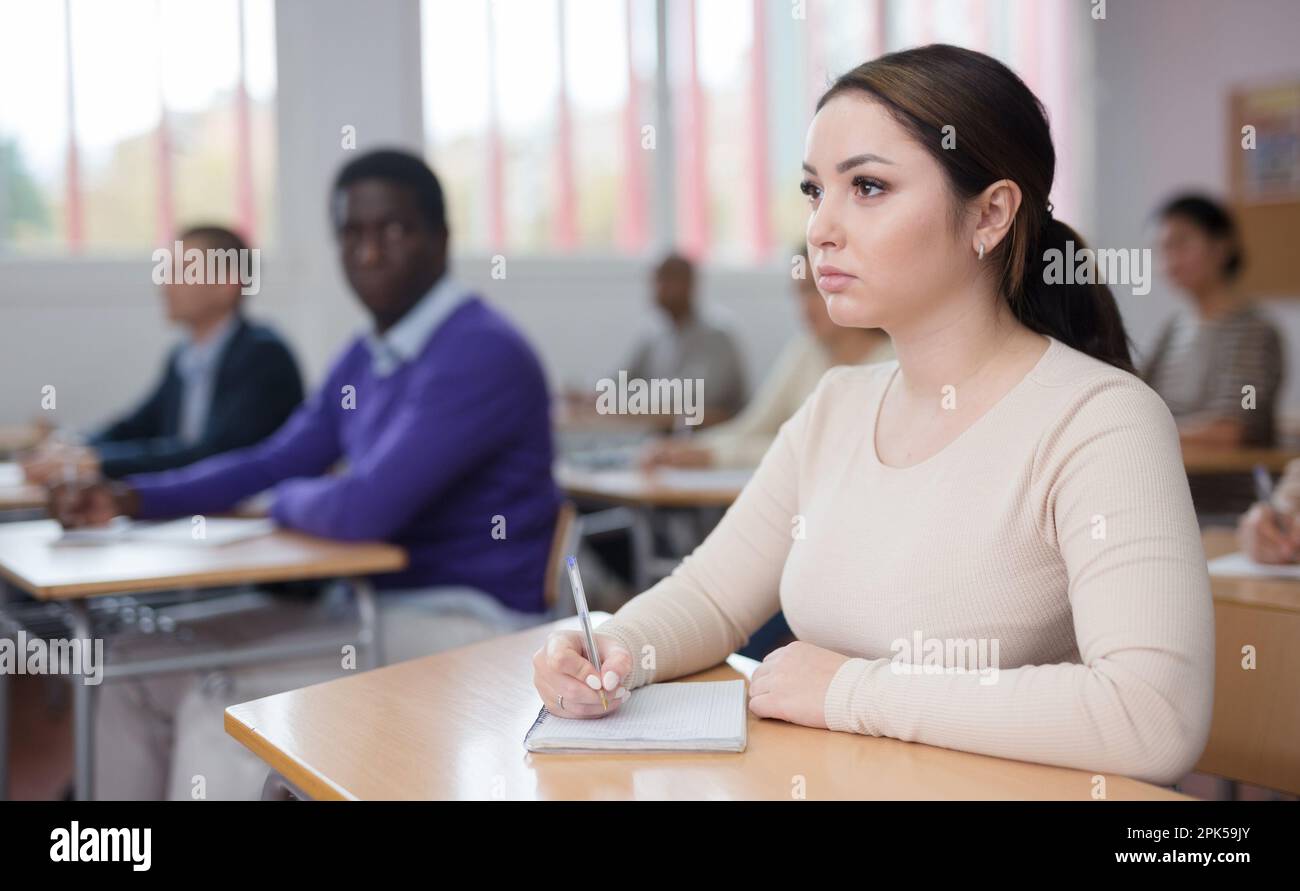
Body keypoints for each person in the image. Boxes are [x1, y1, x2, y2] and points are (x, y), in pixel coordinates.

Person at [531, 45, 1214, 786]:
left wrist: (850, 690)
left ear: (990, 213)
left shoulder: (1103, 421)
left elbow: (1152, 716)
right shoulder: (838, 404)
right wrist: (609, 647)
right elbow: (710, 596)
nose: (821, 228)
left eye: (867, 186)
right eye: (812, 190)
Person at [51, 149, 562, 799]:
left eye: (394, 230)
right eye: (352, 234)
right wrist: (131, 497)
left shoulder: (479, 350)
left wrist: (283, 500)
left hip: (469, 625)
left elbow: (364, 507)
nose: (369, 253)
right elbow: (272, 458)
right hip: (368, 605)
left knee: (225, 708)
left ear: (440, 239)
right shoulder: (366, 352)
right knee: (128, 667)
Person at [21, 225, 303, 482]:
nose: (165, 285)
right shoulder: (184, 356)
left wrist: (98, 462)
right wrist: (74, 444)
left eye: (182, 272)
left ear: (227, 285)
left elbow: (212, 453)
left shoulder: (264, 357)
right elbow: (137, 426)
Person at [641, 247, 892, 469]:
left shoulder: (890, 361)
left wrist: (713, 456)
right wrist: (688, 448)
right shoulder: (806, 350)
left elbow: (817, 450)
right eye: (799, 292)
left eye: (814, 289)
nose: (805, 305)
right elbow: (752, 427)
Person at [1143, 194, 1283, 449]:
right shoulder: (1173, 328)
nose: (1169, 260)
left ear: (1221, 247)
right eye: (1161, 249)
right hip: (1169, 475)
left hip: (1224, 483)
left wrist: (1142, 433)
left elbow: (1231, 430)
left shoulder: (1254, 331)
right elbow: (1139, 399)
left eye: (1181, 243)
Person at [622, 253, 747, 428]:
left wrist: (627, 401)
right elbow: (623, 378)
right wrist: (597, 396)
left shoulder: (717, 336)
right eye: (657, 281)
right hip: (664, 437)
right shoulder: (654, 335)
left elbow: (694, 396)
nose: (659, 289)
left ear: (690, 285)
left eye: (667, 281)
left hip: (709, 437)